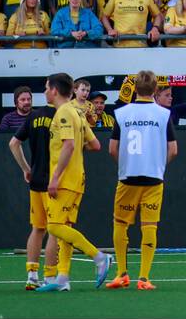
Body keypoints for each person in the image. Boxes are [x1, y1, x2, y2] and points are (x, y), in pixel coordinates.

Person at [35, 72, 113, 292]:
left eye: (46, 87)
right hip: (78, 177)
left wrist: (56, 177)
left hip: (65, 180)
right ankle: (63, 277)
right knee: (65, 226)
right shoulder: (77, 113)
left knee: (54, 226)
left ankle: (99, 257)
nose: (44, 92)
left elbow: (69, 145)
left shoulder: (64, 112)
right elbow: (95, 145)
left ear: (54, 90)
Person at [105, 70, 178, 291]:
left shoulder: (121, 113)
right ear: (156, 90)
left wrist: (124, 164)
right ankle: (144, 278)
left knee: (120, 224)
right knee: (149, 227)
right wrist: (159, 165)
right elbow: (173, 150)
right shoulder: (164, 114)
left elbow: (112, 149)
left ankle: (121, 274)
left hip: (128, 177)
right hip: (153, 178)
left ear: (134, 88)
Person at [8, 85, 60, 289]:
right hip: (55, 181)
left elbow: (13, 143)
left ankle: (31, 276)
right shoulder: (63, 115)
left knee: (37, 228)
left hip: (37, 179)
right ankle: (50, 277)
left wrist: (26, 169)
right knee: (55, 230)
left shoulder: (33, 116)